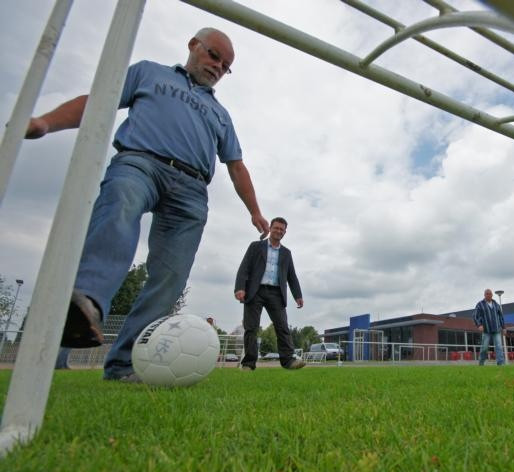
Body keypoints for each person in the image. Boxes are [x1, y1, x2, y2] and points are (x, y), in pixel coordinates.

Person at [25, 28, 270, 382]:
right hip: (140, 163)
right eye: (214, 55)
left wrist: (255, 211)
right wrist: (46, 122)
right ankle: (86, 303)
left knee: (170, 276)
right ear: (193, 45)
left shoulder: (220, 114)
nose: (217, 66)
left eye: (226, 66)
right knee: (120, 207)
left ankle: (125, 364)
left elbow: (236, 165)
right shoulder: (149, 73)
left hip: (191, 189)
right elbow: (99, 101)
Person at [234, 217, 305, 370]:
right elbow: (244, 267)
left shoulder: (286, 253)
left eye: (282, 229)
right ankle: (248, 363)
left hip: (276, 293)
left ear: (285, 232)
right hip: (255, 291)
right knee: (251, 327)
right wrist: (240, 287)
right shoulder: (255, 247)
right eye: (276, 228)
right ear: (270, 229)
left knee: (283, 326)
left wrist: (298, 295)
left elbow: (292, 276)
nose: (279, 231)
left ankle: (288, 361)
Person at [473, 289, 505, 366]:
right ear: (484, 295)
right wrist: (479, 325)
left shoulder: (496, 304)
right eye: (487, 294)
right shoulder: (480, 304)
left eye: (490, 294)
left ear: (492, 295)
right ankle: (481, 363)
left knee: (499, 347)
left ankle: (501, 363)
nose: (488, 295)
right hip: (486, 330)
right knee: (484, 348)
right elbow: (475, 315)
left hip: (496, 329)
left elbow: (501, 316)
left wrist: (503, 327)